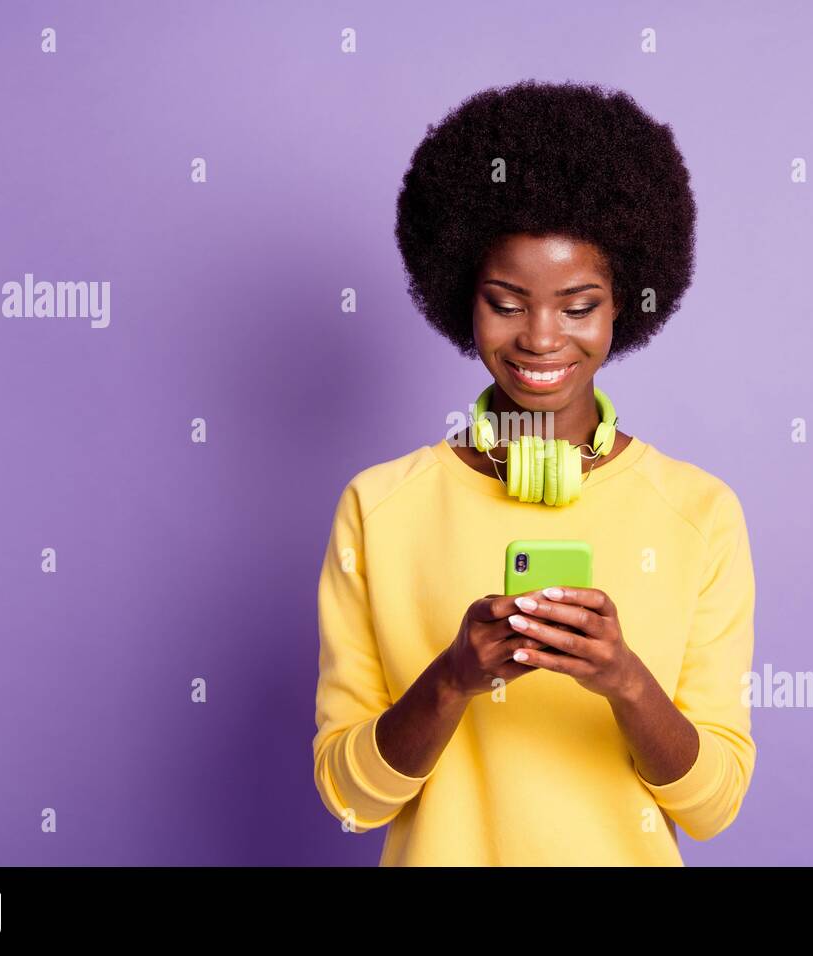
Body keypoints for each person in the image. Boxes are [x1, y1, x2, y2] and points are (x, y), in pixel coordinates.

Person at [312, 79, 756, 865]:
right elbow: (350, 799)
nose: (541, 338)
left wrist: (624, 679)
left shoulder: (698, 511)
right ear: (462, 297)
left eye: (578, 305)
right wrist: (450, 679)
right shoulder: (380, 507)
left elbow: (714, 806)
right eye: (506, 301)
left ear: (624, 306)